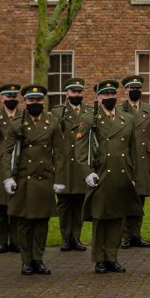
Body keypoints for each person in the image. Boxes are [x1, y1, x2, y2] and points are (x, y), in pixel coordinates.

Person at [86, 80, 150, 274]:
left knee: (117, 218)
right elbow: (83, 151)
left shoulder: (126, 119)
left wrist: (132, 175)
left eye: (113, 94)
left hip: (121, 174)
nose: (110, 98)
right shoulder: (91, 119)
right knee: (100, 218)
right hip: (100, 174)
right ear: (98, 98)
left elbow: (132, 149)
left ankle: (112, 257)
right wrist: (87, 172)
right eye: (105, 95)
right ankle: (100, 259)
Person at [2, 84, 65, 275]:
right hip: (23, 178)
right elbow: (6, 152)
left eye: (38, 100)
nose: (35, 103)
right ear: (25, 101)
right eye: (31, 100)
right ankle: (26, 260)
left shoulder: (52, 122)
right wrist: (7, 178)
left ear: (43, 101)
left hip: (44, 177)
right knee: (24, 222)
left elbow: (60, 153)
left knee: (41, 222)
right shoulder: (16, 124)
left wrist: (59, 179)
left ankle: (38, 259)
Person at [118, 76, 150, 249]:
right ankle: (126, 236)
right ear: (126, 90)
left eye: (138, 88)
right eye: (132, 88)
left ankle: (137, 234)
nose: (135, 91)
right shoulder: (119, 110)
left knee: (140, 197)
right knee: (126, 197)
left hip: (143, 157)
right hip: (125, 158)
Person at [53, 79, 92, 252]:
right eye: (73, 92)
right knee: (63, 204)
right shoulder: (57, 112)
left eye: (79, 92)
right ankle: (65, 238)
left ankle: (76, 237)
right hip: (64, 163)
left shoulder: (89, 111)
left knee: (79, 203)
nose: (77, 95)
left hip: (81, 163)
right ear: (67, 93)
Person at [0, 84, 24, 255]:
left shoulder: (24, 116)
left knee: (16, 206)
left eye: (14, 97)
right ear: (2, 98)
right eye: (8, 97)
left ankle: (15, 241)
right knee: (2, 207)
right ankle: (2, 242)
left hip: (19, 163)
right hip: (1, 165)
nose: (11, 100)